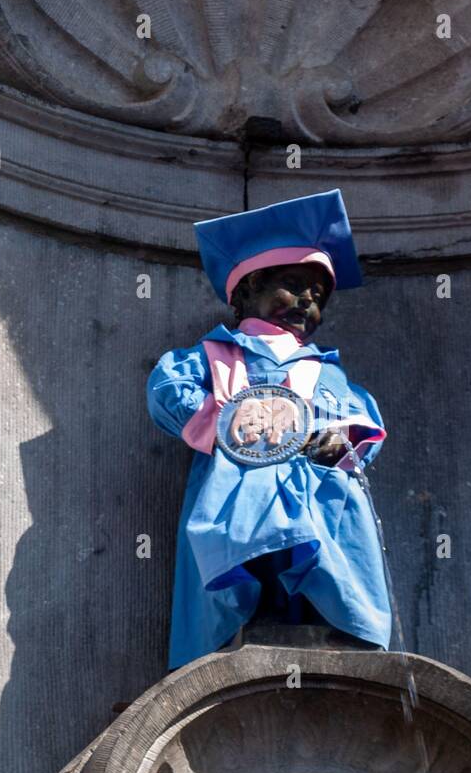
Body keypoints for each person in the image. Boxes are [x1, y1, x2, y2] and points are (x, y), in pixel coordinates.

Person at [147, 189, 393, 669]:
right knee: (247, 540)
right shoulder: (214, 356)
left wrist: (337, 442)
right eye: (295, 285)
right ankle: (243, 626)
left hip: (316, 486)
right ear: (248, 290)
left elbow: (360, 426)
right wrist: (220, 423)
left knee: (329, 530)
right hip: (239, 480)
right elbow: (168, 391)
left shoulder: (326, 372)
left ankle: (325, 624)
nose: (307, 301)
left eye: (318, 297)